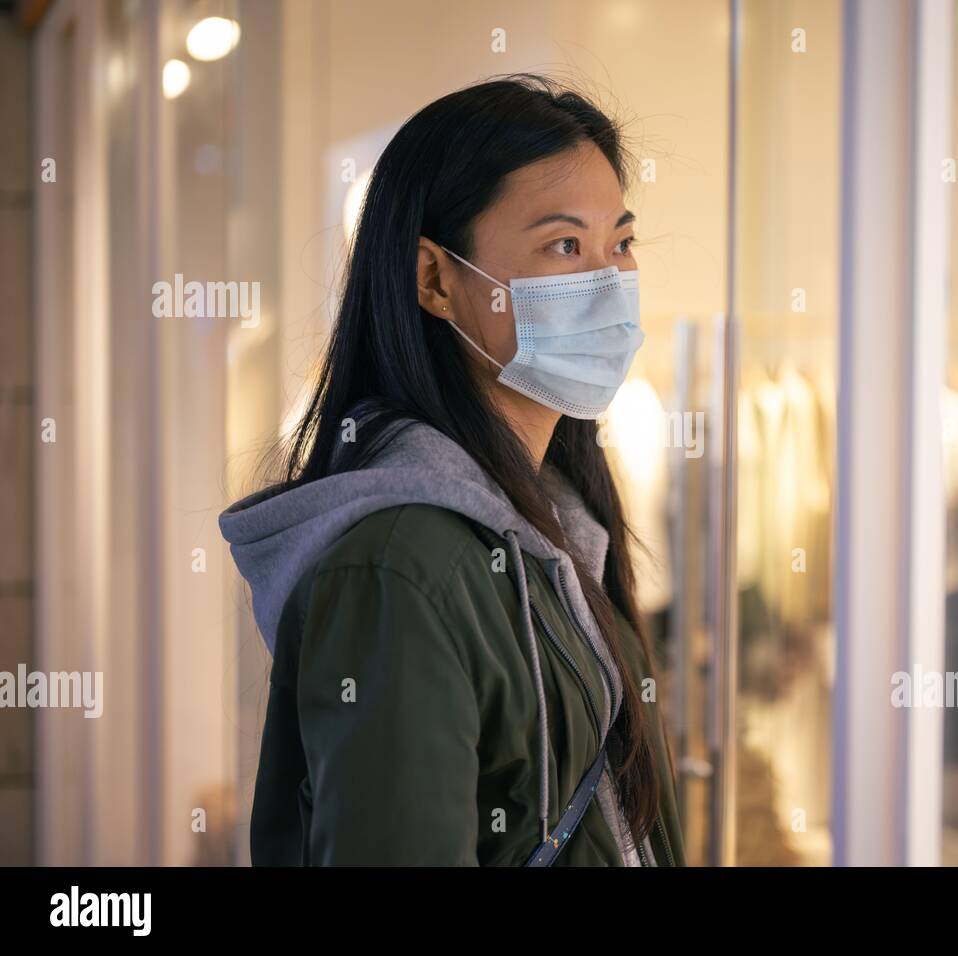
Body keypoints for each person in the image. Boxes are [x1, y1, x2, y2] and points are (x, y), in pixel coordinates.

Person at [219, 74, 683, 867]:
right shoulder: (399, 570)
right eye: (564, 245)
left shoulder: (556, 525)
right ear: (436, 279)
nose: (609, 283)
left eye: (622, 243)